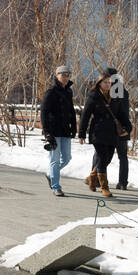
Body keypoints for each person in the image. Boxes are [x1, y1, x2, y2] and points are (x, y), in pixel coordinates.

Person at [78, 71, 131, 198]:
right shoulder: (93, 95)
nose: (108, 85)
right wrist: (81, 134)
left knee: (108, 158)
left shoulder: (116, 95)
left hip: (112, 133)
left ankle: (92, 176)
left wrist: (128, 127)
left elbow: (121, 114)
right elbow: (85, 115)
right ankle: (104, 188)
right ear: (99, 83)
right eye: (105, 82)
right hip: (98, 132)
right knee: (102, 157)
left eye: (110, 83)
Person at [39, 65, 76, 197]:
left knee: (66, 158)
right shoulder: (51, 92)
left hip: (65, 130)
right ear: (57, 76)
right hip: (53, 131)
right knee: (54, 160)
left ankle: (50, 174)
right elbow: (43, 112)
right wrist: (47, 132)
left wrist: (74, 126)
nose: (66, 77)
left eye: (68, 75)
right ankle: (56, 187)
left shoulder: (69, 91)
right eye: (63, 75)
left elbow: (71, 110)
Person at [102, 66, 132, 190]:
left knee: (101, 154)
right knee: (123, 156)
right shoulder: (123, 90)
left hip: (111, 127)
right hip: (123, 127)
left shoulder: (107, 90)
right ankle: (123, 182)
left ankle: (97, 178)